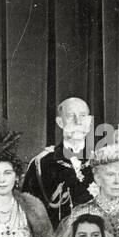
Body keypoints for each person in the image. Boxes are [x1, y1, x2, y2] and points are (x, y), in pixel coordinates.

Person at [23, 96, 93, 226]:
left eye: (82, 116)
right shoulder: (41, 164)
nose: (78, 122)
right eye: (71, 116)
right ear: (60, 122)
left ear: (89, 122)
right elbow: (29, 214)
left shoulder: (102, 161)